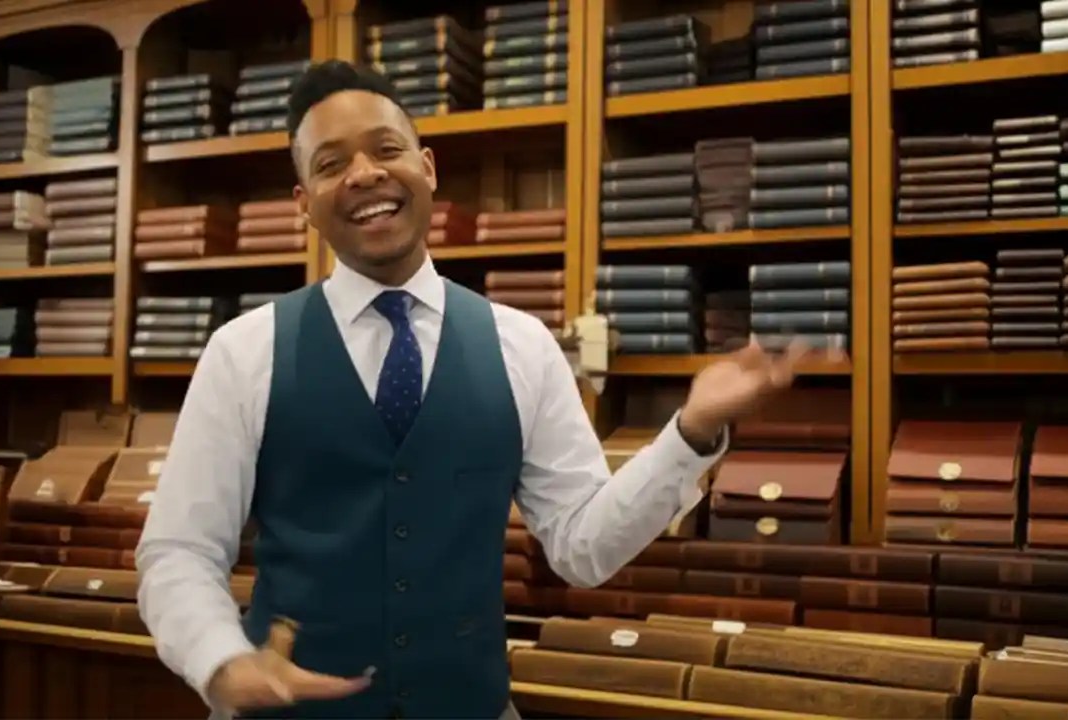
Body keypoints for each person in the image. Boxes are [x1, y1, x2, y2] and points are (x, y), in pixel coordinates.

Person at [136, 59, 812, 720]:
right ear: (304, 204)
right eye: (330, 163)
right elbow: (180, 550)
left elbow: (583, 547)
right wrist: (222, 658)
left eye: (385, 149)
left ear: (427, 169)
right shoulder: (244, 352)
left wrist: (691, 432)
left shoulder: (523, 346)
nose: (364, 174)